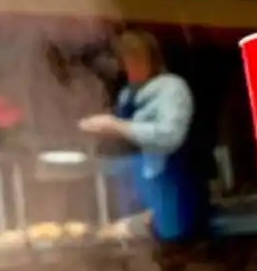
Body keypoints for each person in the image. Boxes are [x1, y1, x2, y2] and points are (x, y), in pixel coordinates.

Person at [79, 30, 206, 242]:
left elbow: (170, 136)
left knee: (168, 246)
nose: (129, 65)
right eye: (126, 59)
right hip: (133, 195)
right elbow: (125, 148)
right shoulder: (128, 94)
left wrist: (117, 126)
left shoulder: (171, 89)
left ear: (152, 58)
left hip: (169, 192)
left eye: (136, 58)